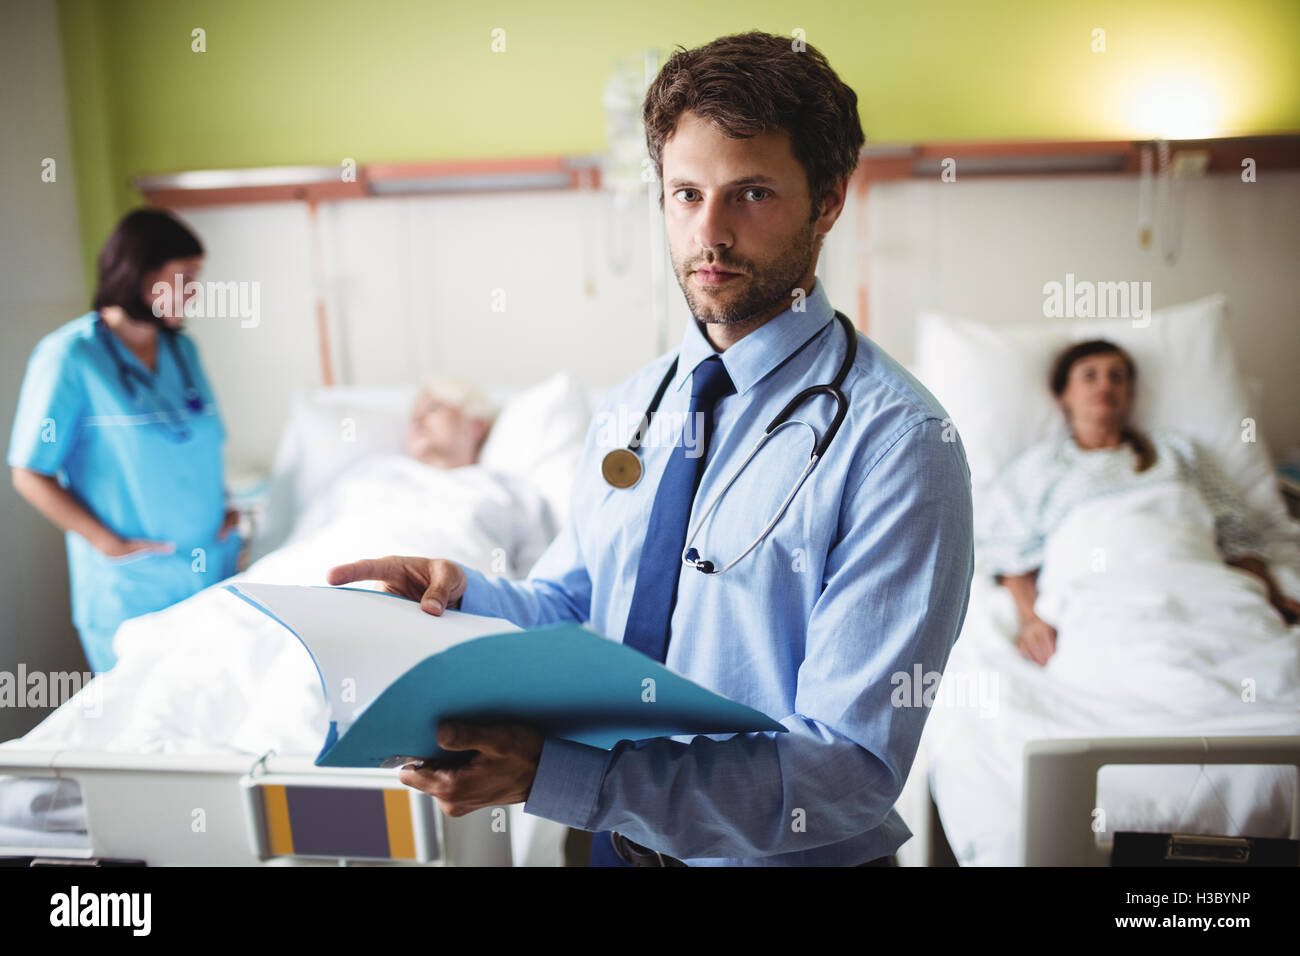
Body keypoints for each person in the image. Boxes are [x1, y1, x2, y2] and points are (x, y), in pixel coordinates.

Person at [329, 31, 975, 867]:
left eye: (749, 194)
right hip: (608, 846)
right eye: (684, 194)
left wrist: (565, 778)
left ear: (827, 201)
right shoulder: (634, 408)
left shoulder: (899, 446)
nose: (708, 233)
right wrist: (468, 599)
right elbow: (577, 608)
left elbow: (845, 769)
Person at [8, 208, 241, 674]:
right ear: (139, 271)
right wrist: (107, 542)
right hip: (133, 588)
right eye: (185, 277)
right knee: (146, 732)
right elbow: (29, 472)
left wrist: (226, 505)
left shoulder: (182, 349)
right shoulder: (70, 358)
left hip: (210, 571)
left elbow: (198, 445)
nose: (195, 292)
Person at [979, 339, 1300, 667]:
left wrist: (1269, 596)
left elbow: (1236, 531)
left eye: (1117, 377)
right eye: (1090, 376)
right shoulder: (1039, 467)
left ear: (1130, 394)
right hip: (1096, 598)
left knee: (1265, 659)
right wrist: (1032, 620)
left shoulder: (1177, 451)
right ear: (1064, 395)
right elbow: (1007, 554)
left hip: (1197, 581)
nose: (1105, 384)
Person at [404, 378, 497, 469]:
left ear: (476, 426)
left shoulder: (493, 481)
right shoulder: (392, 472)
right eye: (414, 414)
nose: (418, 418)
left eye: (432, 408)